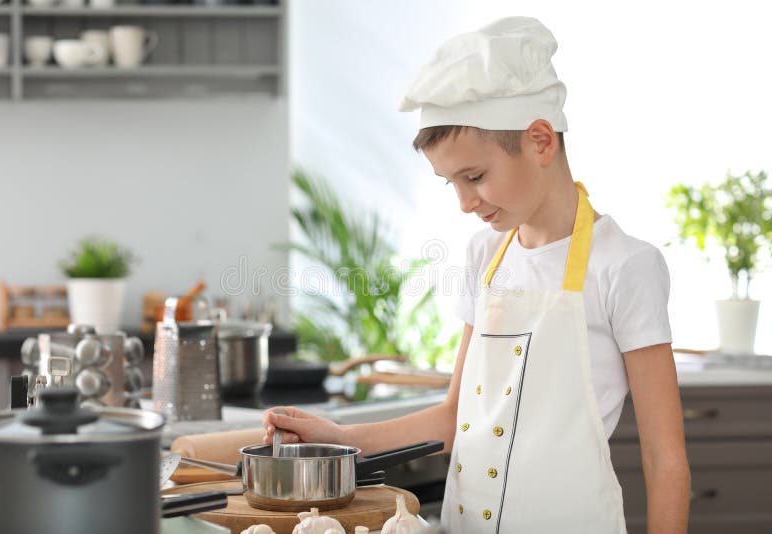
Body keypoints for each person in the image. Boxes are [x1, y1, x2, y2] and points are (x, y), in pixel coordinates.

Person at [263, 17, 690, 533]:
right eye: (451, 184)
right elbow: (455, 418)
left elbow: (665, 460)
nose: (465, 203)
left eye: (476, 177)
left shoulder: (624, 265)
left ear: (539, 141)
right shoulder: (484, 256)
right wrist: (337, 434)